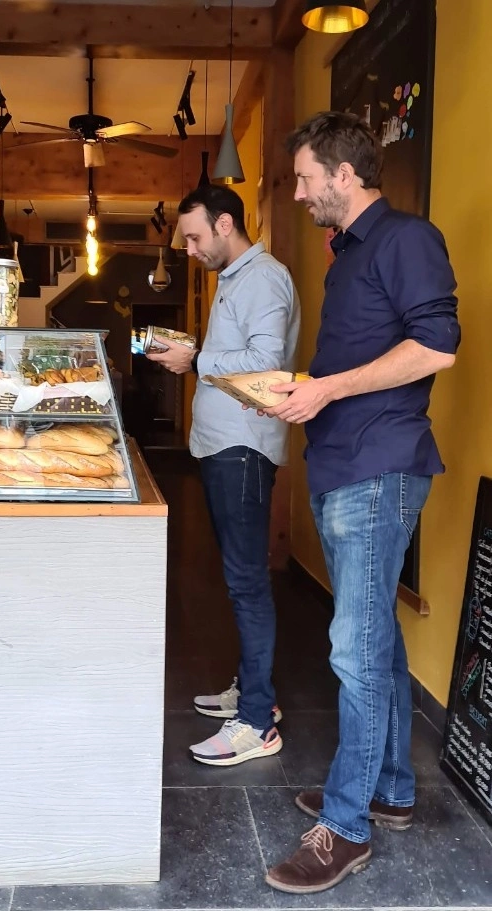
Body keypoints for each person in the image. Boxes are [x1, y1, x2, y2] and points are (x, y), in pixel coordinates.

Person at [262, 111, 460, 894]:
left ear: (345, 174)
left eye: (307, 178)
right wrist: (293, 393)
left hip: (378, 465)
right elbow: (349, 363)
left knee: (352, 646)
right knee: (372, 634)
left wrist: (328, 389)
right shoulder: (347, 254)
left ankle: (343, 827)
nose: (301, 192)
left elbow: (436, 345)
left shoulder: (405, 237)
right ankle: (389, 790)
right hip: (346, 464)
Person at [146, 184, 300, 767]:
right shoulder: (236, 279)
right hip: (223, 446)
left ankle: (257, 722)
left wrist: (196, 361)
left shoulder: (262, 278)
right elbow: (238, 352)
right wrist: (192, 351)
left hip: (242, 448)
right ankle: (255, 691)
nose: (188, 248)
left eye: (193, 236)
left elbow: (266, 362)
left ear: (226, 223)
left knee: (246, 582)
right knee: (240, 578)